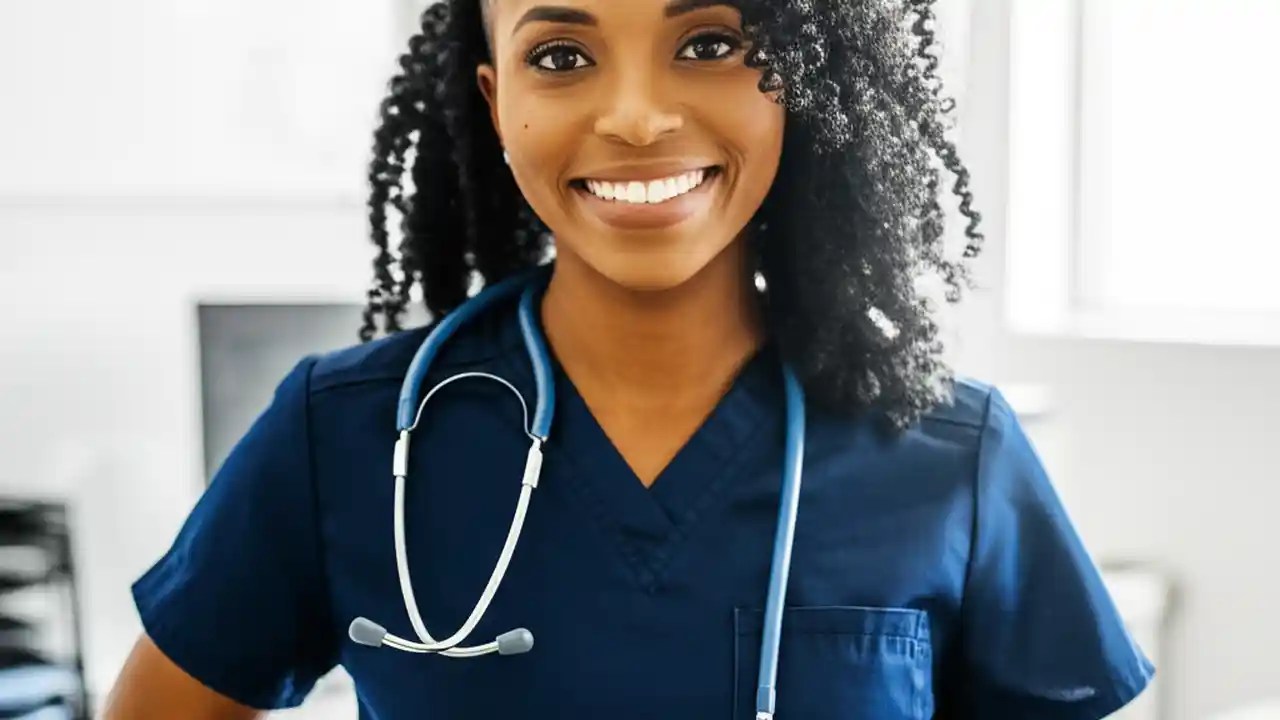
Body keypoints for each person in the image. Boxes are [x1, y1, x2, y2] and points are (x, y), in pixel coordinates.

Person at [103, 0, 1155, 717]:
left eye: (708, 42)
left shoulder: (951, 456)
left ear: (802, 75)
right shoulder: (340, 434)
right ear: (494, 99)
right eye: (562, 57)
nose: (639, 117)